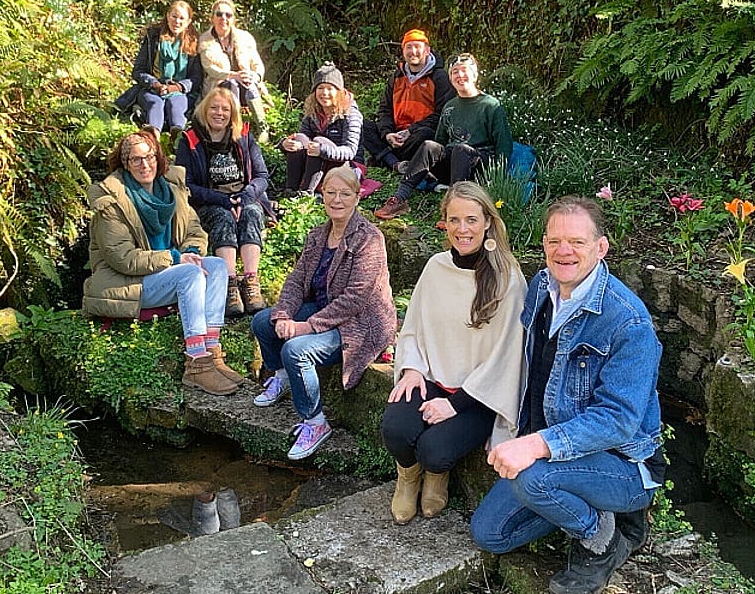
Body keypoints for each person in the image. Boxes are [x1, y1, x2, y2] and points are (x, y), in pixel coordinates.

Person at [470, 196, 665, 594]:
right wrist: (510, 427)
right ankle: (587, 504)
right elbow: (532, 371)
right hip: (558, 454)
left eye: (577, 242)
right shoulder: (541, 287)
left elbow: (618, 420)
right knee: (490, 534)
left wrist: (537, 444)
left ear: (600, 247)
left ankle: (603, 538)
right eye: (555, 241)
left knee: (533, 479)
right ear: (543, 244)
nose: (564, 251)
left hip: (623, 465)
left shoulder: (628, 321)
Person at [381, 182, 527, 525]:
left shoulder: (508, 278)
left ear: (488, 222)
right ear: (444, 223)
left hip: (477, 396)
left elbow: (507, 357)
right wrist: (413, 369)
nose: (463, 229)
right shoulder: (435, 267)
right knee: (395, 430)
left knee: (436, 450)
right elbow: (415, 326)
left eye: (472, 220)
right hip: (432, 377)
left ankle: (435, 474)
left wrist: (454, 404)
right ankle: (409, 477)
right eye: (454, 219)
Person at [251, 166, 397, 460]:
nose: (337, 199)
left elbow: (356, 298)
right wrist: (282, 313)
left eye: (345, 193)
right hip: (323, 306)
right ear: (322, 195)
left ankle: (315, 422)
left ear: (358, 197)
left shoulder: (370, 239)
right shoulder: (318, 235)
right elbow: (296, 279)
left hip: (361, 322)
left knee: (296, 350)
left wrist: (307, 327)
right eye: (330, 193)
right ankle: (282, 376)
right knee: (262, 323)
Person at [82, 129, 240, 396]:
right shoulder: (112, 202)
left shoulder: (171, 188)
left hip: (167, 272)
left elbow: (194, 229)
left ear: (158, 157)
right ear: (125, 163)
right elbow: (123, 259)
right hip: (129, 282)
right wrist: (176, 258)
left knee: (216, 266)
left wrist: (190, 250)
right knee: (189, 274)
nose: (145, 165)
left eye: (150, 157)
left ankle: (212, 352)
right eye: (136, 160)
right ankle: (197, 363)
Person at [375, 53, 513, 220]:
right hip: (453, 166)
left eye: (464, 70)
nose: (460, 76)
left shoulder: (490, 106)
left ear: (475, 75)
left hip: (478, 165)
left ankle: (454, 208)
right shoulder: (450, 107)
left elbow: (503, 145)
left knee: (461, 150)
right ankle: (400, 198)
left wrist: (497, 178)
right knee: (429, 145)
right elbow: (439, 142)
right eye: (455, 72)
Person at [175, 87, 270, 319]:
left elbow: (261, 176)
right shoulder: (189, 140)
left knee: (251, 213)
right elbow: (185, 184)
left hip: (243, 196)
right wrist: (224, 201)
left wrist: (244, 197)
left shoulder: (244, 137)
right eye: (214, 108)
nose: (219, 113)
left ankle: (250, 279)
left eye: (225, 109)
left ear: (232, 113)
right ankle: (230, 284)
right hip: (209, 200)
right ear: (205, 110)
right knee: (222, 217)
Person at [360, 28, 452, 175]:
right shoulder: (396, 77)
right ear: (403, 51)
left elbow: (442, 114)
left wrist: (410, 131)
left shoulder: (439, 77)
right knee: (362, 125)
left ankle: (385, 157)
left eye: (417, 46)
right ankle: (394, 162)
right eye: (408, 47)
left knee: (426, 134)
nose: (413, 51)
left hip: (418, 136)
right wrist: (387, 134)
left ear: (427, 50)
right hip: (395, 135)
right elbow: (385, 110)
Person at [281, 63, 365, 195]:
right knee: (299, 138)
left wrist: (322, 150)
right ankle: (290, 189)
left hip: (347, 166)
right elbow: (303, 139)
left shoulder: (350, 114)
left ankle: (306, 193)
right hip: (317, 165)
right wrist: (285, 144)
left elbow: (350, 152)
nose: (324, 93)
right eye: (320, 88)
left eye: (329, 88)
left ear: (339, 91)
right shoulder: (313, 111)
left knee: (319, 141)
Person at [123, 0, 203, 137]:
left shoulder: (193, 43)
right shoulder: (153, 37)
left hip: (180, 92)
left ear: (188, 21)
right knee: (155, 103)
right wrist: (155, 84)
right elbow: (138, 70)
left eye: (182, 18)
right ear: (167, 16)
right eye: (174, 16)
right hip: (152, 88)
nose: (177, 21)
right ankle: (153, 137)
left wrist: (176, 87)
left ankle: (178, 138)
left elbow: (196, 78)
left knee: (176, 105)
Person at [197, 0, 270, 136]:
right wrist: (234, 75)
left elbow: (257, 64)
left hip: (245, 84)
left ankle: (263, 128)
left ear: (233, 19)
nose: (223, 18)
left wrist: (254, 76)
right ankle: (235, 127)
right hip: (219, 85)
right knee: (232, 84)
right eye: (219, 14)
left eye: (228, 15)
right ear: (212, 18)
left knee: (249, 84)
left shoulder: (245, 38)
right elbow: (210, 69)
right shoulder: (204, 40)